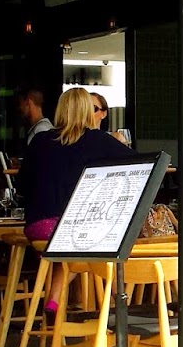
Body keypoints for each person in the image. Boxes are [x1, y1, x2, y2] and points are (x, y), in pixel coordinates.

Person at [18, 88, 134, 314]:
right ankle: (116, 304)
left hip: (36, 228)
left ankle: (54, 300)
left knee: (69, 248)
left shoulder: (40, 140)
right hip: (69, 230)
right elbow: (140, 164)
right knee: (93, 242)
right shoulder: (96, 139)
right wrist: (118, 141)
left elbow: (21, 186)